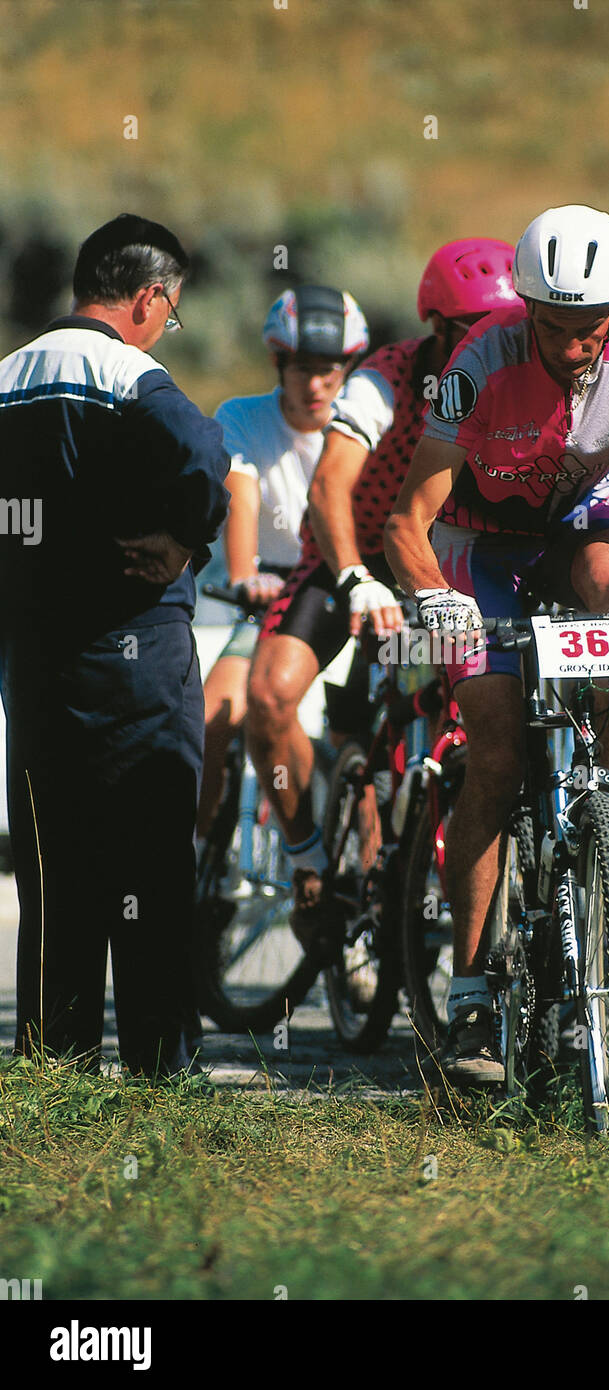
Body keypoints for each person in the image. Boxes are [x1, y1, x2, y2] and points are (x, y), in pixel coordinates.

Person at [384, 204, 609, 1084]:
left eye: (592, 329)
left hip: (578, 518)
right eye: (555, 329)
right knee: (498, 750)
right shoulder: (479, 363)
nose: (576, 345)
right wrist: (434, 599)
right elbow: (408, 520)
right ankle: (471, 995)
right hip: (479, 543)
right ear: (526, 310)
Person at [0, 213, 230, 1075]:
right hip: (138, 659)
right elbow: (206, 460)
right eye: (167, 314)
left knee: (55, 876)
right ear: (150, 298)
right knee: (148, 867)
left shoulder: (7, 375)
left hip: (34, 668)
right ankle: (159, 1071)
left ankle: (55, 1067)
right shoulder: (130, 374)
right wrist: (182, 540)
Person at [245, 238, 518, 930]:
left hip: (447, 563)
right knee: (268, 698)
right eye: (474, 329)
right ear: (435, 327)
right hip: (353, 557)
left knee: (452, 718)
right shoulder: (383, 379)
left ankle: (409, 861)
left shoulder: (513, 376)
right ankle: (308, 854)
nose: (493, 342)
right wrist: (354, 577)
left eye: (503, 327)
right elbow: (330, 486)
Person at [196, 286, 369, 835]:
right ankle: (192, 857)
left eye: (330, 370)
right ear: (278, 362)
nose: (316, 385)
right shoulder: (243, 416)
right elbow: (240, 492)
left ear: (349, 366)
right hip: (270, 592)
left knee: (364, 754)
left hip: (347, 591)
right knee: (209, 719)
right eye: (301, 370)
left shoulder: (364, 422)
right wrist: (244, 572)